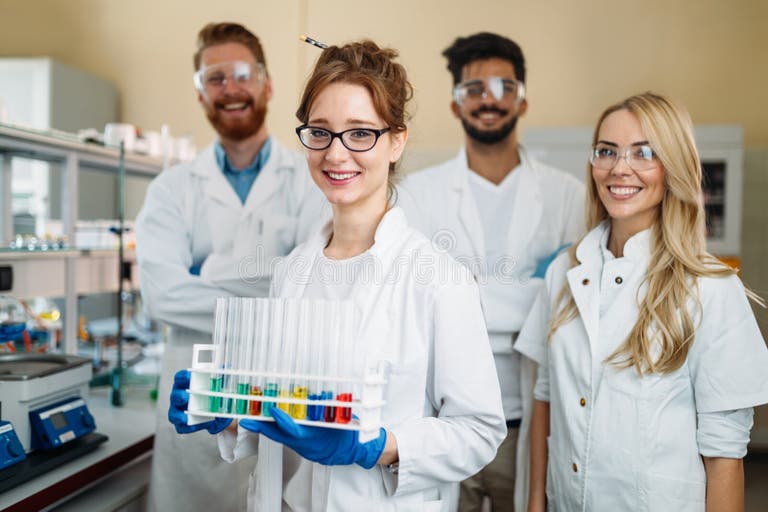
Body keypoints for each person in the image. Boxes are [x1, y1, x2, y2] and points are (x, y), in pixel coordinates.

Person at [168, 39, 507, 510]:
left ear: (396, 142)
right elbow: (282, 412)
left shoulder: (437, 277)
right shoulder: (293, 273)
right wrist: (223, 411)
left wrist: (379, 446)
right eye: (320, 132)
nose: (336, 153)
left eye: (360, 133)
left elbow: (479, 430)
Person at [516, 92, 768, 511]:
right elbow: (546, 401)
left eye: (643, 152)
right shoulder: (564, 272)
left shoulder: (711, 288)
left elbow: (725, 457)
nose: (620, 168)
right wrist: (535, 505)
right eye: (607, 151)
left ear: (673, 168)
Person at [135, 22, 324, 511]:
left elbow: (315, 292)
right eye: (214, 78)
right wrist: (274, 281)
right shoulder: (171, 190)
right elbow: (161, 296)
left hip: (281, 406)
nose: (230, 89)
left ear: (267, 84)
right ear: (200, 95)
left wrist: (207, 270)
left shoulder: (309, 182)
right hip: (194, 415)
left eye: (242, 74)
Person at [397, 32, 585, 511]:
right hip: (440, 419)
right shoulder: (418, 194)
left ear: (522, 100)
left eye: (503, 87)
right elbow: (414, 303)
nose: (488, 100)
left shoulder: (568, 196)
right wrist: (531, 297)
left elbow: (571, 305)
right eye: (473, 89)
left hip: (528, 418)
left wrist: (465, 296)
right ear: (456, 104)